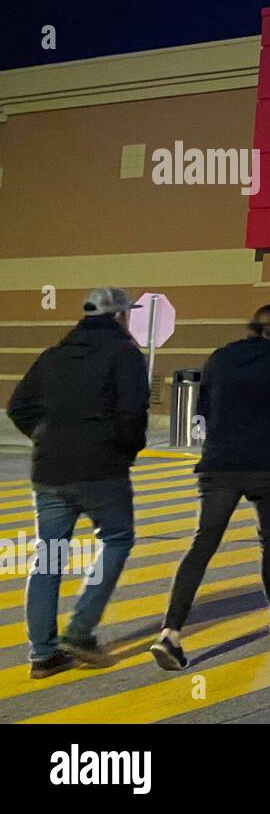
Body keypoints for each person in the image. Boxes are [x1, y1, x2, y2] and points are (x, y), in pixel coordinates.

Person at [150, 305, 270, 671]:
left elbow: (204, 406)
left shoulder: (220, 357)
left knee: (202, 544)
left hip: (220, 464)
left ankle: (170, 633)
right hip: (265, 465)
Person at [6, 288, 149, 679]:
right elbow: (133, 415)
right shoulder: (125, 355)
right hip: (101, 470)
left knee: (48, 557)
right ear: (120, 316)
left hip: (50, 470)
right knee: (117, 538)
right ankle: (81, 631)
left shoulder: (54, 355)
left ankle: (43, 653)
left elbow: (18, 405)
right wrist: (123, 452)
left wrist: (45, 435)